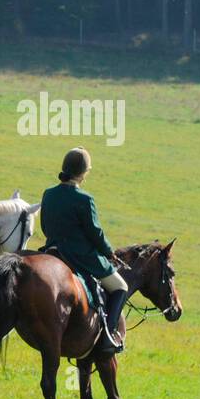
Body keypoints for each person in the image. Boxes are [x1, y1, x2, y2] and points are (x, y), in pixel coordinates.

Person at [40, 147, 128, 354]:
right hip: (80, 256)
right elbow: (95, 233)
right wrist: (108, 252)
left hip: (53, 251)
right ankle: (108, 337)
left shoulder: (49, 194)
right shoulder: (84, 199)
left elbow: (45, 226)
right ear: (83, 173)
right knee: (121, 287)